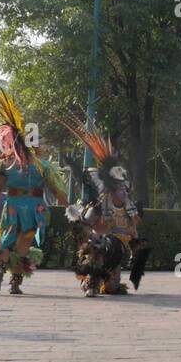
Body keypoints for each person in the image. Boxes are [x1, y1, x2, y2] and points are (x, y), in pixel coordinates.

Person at [0, 70, 67, 295]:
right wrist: (68, 207)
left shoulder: (5, 164)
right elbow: (57, 190)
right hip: (34, 207)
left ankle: (0, 266)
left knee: (7, 239)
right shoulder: (43, 166)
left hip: (12, 205)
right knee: (25, 241)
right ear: (35, 145)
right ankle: (14, 282)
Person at [59, 118, 150, 296]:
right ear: (111, 189)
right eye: (120, 187)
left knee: (112, 288)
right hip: (98, 250)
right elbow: (83, 228)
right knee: (99, 245)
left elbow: (134, 234)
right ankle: (91, 280)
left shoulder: (131, 209)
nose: (124, 190)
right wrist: (90, 234)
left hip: (118, 253)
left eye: (125, 187)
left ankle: (105, 279)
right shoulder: (99, 207)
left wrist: (136, 255)